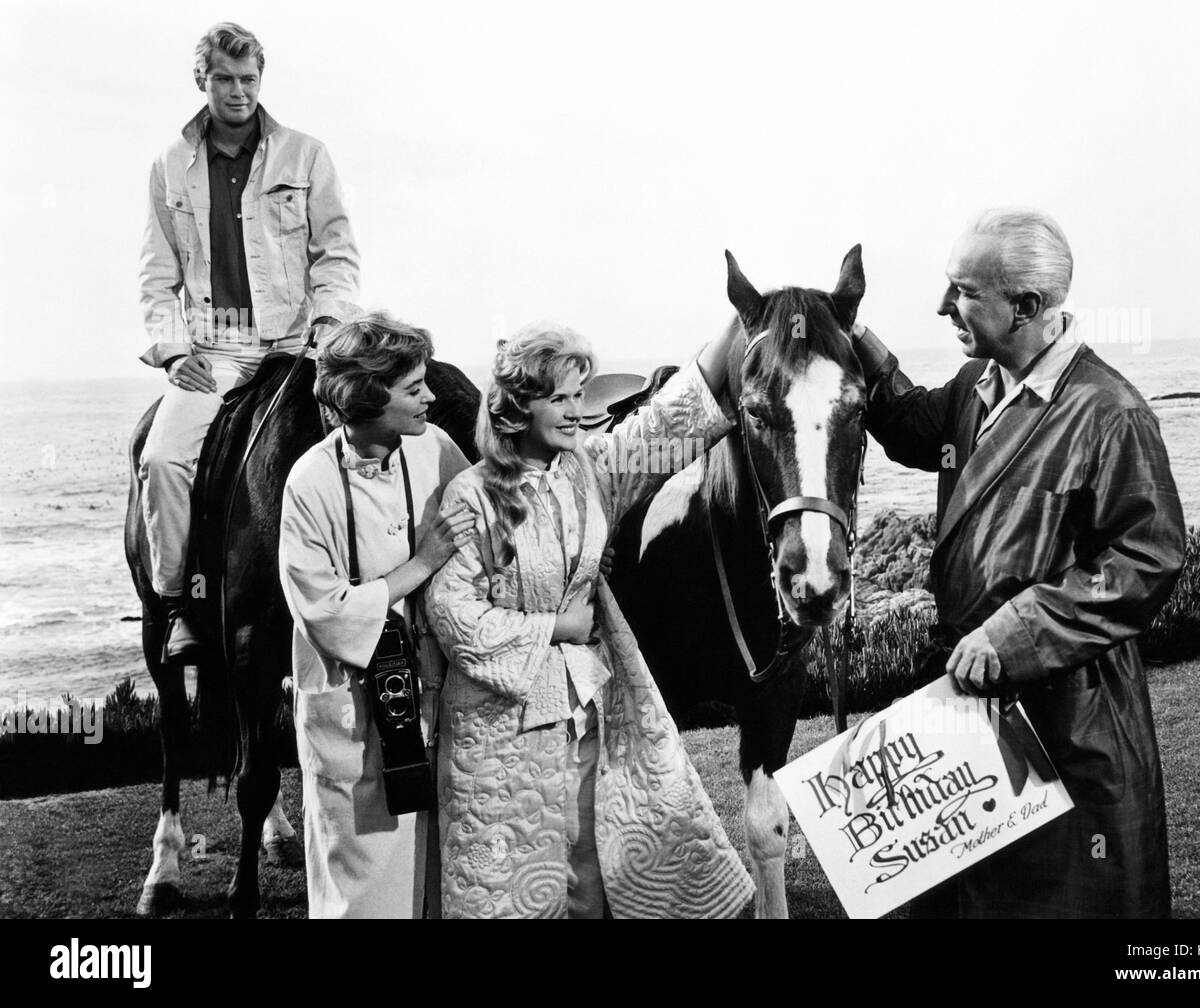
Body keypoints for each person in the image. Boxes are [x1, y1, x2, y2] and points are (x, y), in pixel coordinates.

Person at [851, 208, 1186, 917]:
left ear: (1026, 306)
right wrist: (848, 337)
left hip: (1070, 720)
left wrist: (1017, 631)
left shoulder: (1110, 412)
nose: (945, 306)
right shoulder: (979, 385)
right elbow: (914, 423)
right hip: (973, 718)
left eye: (964, 291)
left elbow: (1147, 558)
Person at [427, 323, 755, 918]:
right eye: (559, 399)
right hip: (500, 733)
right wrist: (556, 628)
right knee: (520, 893)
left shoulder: (586, 471)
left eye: (580, 395)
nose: (577, 413)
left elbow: (663, 429)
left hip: (589, 713)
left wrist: (744, 324)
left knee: (596, 884)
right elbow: (452, 615)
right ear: (514, 408)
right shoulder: (470, 495)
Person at [138, 22, 360, 661]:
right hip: (217, 348)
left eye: (249, 79)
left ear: (261, 80)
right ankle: (181, 602)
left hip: (304, 338)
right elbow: (157, 274)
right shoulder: (168, 168)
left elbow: (336, 251)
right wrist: (176, 352)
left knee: (380, 433)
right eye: (225, 79)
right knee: (162, 459)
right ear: (201, 81)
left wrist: (330, 320)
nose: (238, 92)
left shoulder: (306, 155)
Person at [278, 314, 474, 918]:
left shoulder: (436, 449)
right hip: (354, 724)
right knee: (363, 903)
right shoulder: (308, 483)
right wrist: (423, 562)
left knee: (439, 892)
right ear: (367, 395)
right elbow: (327, 613)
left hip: (435, 711)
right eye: (414, 389)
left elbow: (490, 531)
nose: (432, 398)